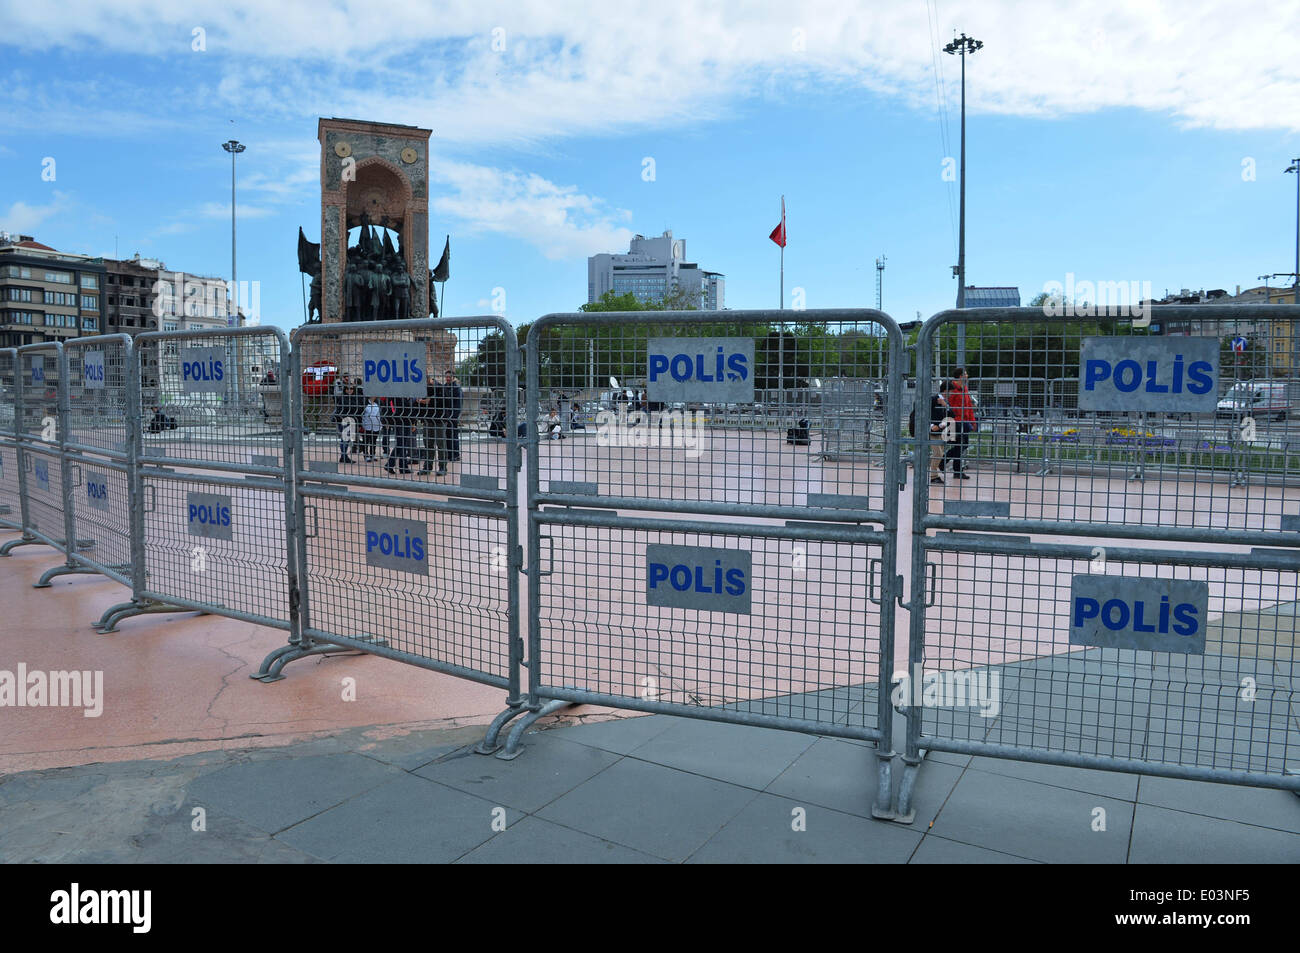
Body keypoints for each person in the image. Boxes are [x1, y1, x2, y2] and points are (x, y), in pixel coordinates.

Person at [945, 368, 976, 479]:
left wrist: (972, 421)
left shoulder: (965, 389)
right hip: (956, 421)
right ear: (960, 376)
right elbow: (948, 406)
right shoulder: (952, 389)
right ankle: (956, 471)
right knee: (959, 445)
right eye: (965, 374)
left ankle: (944, 461)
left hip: (965, 421)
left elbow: (969, 407)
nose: (967, 375)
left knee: (962, 445)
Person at [384, 396, 416, 474]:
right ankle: (396, 466)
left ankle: (399, 466)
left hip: (404, 421)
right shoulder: (398, 396)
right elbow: (405, 410)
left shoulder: (405, 397)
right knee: (401, 444)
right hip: (401, 421)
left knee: (402, 444)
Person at [332, 383, 361, 463]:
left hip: (351, 421)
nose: (349, 390)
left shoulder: (355, 398)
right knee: (345, 439)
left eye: (351, 389)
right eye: (347, 389)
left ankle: (343, 456)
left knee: (346, 439)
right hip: (343, 421)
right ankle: (344, 456)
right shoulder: (343, 398)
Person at [929, 382, 950, 484]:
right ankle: (933, 476)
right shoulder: (933, 399)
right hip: (932, 431)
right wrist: (931, 426)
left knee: (939, 453)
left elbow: (952, 414)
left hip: (941, 432)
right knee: (938, 453)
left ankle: (934, 474)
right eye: (951, 392)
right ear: (945, 391)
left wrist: (945, 405)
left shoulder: (945, 402)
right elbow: (923, 412)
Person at [444, 371, 463, 461]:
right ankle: (449, 454)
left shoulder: (456, 388)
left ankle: (455, 454)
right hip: (446, 416)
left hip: (452, 416)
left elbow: (458, 405)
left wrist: (454, 416)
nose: (447, 378)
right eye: (446, 377)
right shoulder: (445, 387)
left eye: (449, 377)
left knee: (453, 435)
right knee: (448, 435)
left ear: (453, 377)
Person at [360, 395, 382, 461]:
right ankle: (366, 455)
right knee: (366, 440)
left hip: (376, 425)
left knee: (373, 441)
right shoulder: (364, 403)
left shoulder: (378, 403)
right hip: (366, 425)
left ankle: (373, 454)